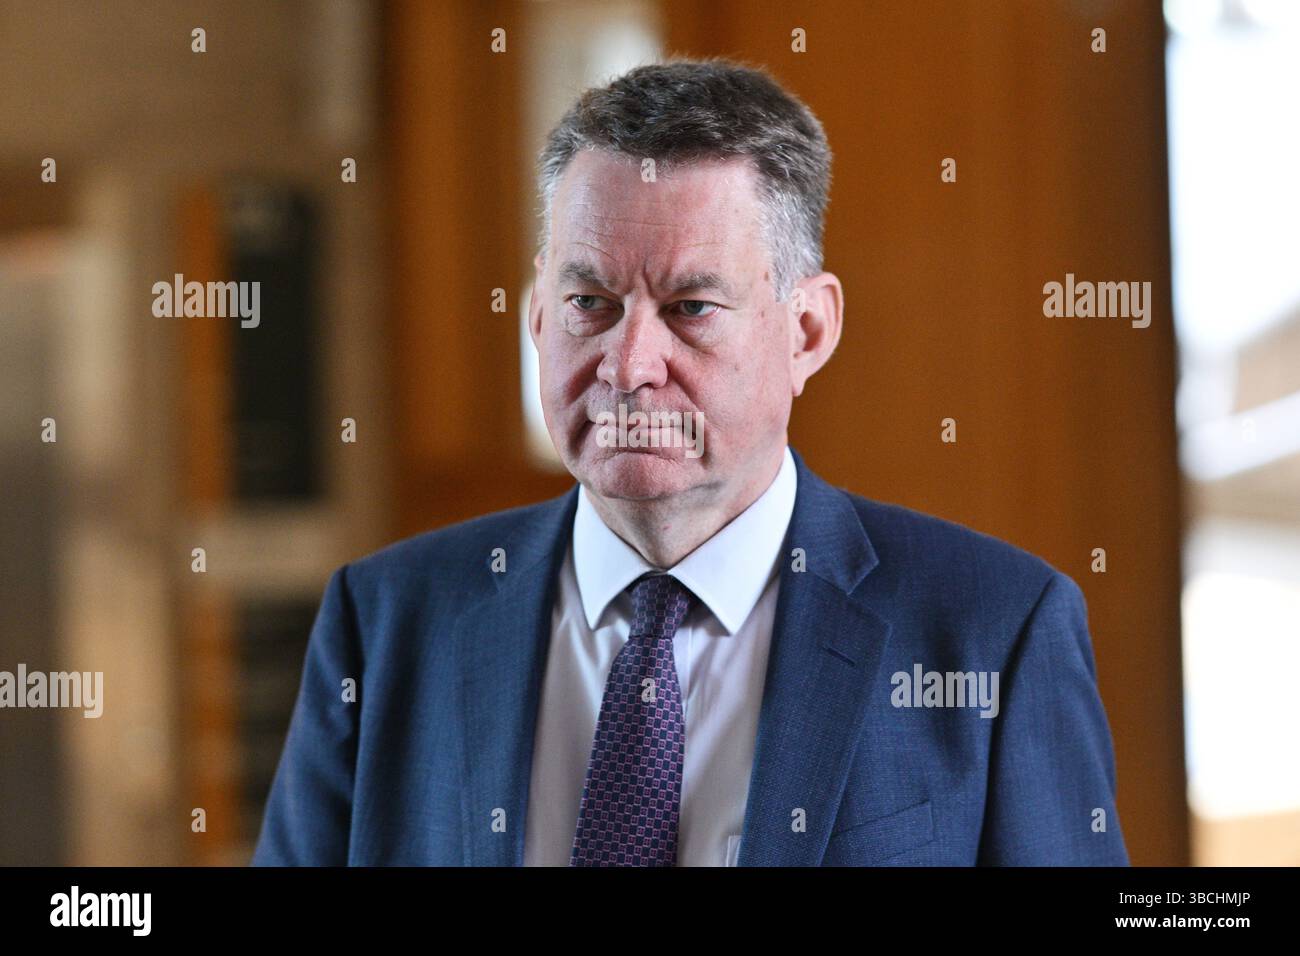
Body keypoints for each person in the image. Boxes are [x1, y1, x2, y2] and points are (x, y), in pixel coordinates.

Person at [253, 58, 1128, 866]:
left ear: (807, 331)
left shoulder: (994, 632)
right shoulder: (384, 622)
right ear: (535, 319)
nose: (629, 364)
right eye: (588, 302)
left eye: (691, 307)